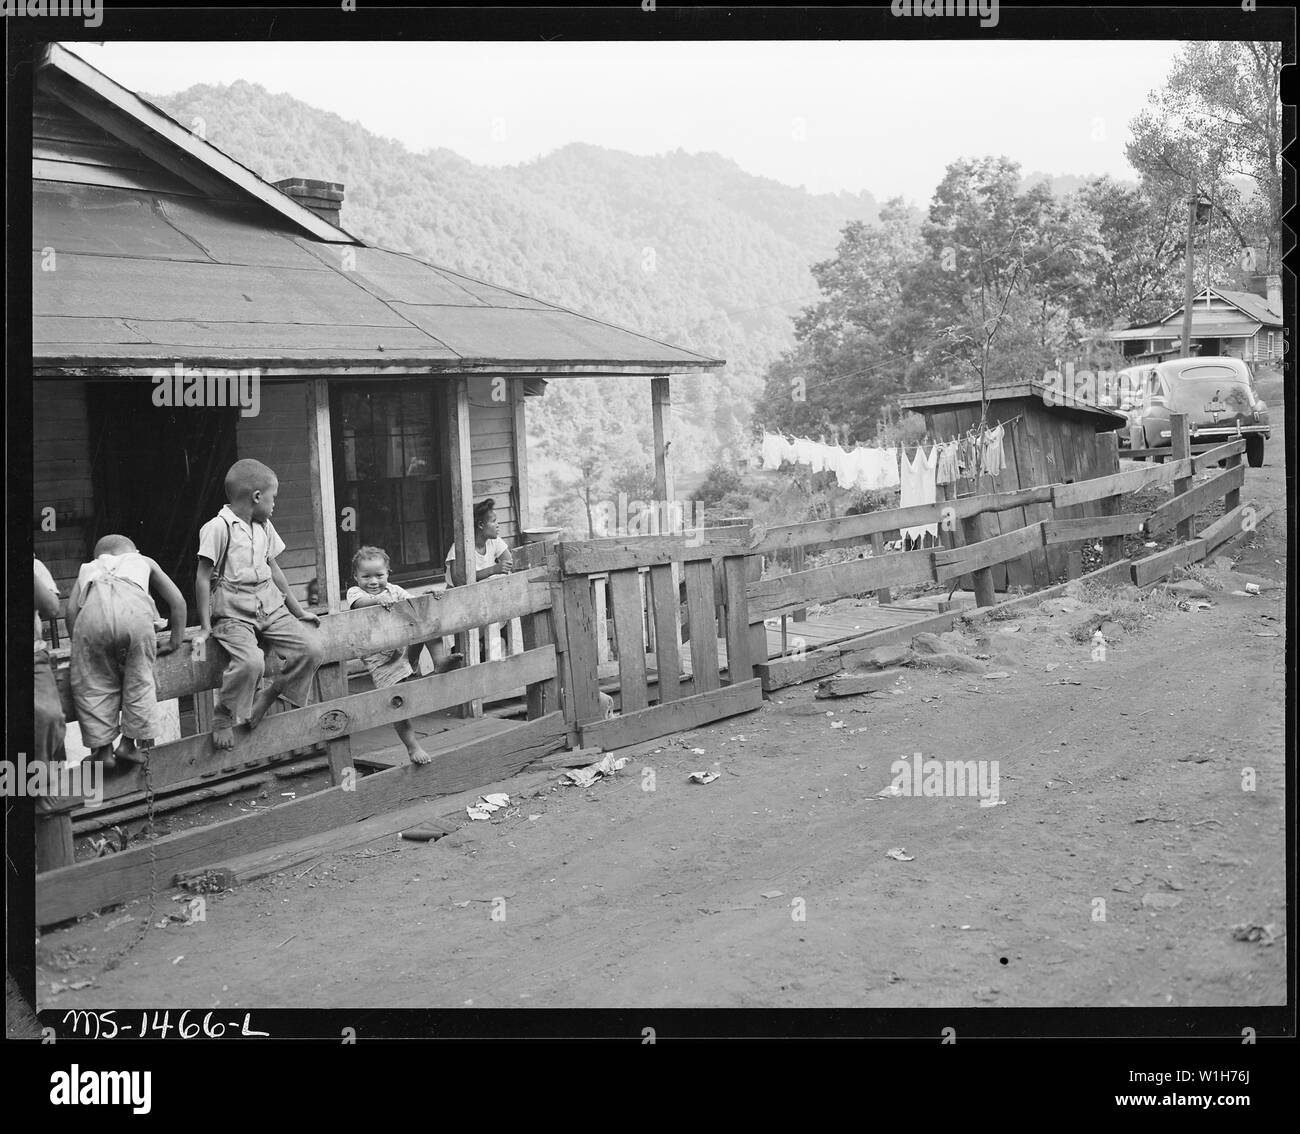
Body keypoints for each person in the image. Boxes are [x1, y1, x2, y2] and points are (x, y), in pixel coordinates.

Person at [194, 459, 323, 751]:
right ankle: (224, 714)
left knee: (312, 649)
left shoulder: (264, 526)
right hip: (233, 609)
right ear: (256, 496)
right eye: (273, 497)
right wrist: (204, 627)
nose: (274, 504)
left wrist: (298, 610)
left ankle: (270, 695)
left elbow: (274, 570)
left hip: (270, 603)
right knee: (251, 662)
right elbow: (202, 578)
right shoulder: (218, 527)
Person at [65, 535, 186, 769]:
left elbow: (71, 613)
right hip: (135, 617)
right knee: (140, 680)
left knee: (92, 683)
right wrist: (175, 641)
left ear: (99, 556)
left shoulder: (89, 568)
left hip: (92, 619)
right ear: (135, 551)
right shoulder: (144, 562)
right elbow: (178, 602)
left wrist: (82, 653)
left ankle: (102, 751)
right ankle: (128, 745)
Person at [345, 546, 461, 764]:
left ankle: (439, 661)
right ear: (356, 577)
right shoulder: (356, 593)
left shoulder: (394, 590)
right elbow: (359, 604)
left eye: (379, 575)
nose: (373, 582)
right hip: (379, 659)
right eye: (366, 576)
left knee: (426, 621)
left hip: (399, 647)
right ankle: (412, 747)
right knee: (398, 704)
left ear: (388, 573)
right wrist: (376, 601)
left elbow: (413, 603)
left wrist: (429, 595)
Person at [444, 498, 514, 660]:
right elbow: (459, 582)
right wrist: (492, 570)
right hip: (459, 609)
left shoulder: (493, 542)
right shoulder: (460, 548)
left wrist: (499, 570)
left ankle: (495, 662)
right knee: (467, 655)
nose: (498, 525)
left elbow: (510, 562)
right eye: (494, 521)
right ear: (481, 525)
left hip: (483, 604)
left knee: (497, 633)